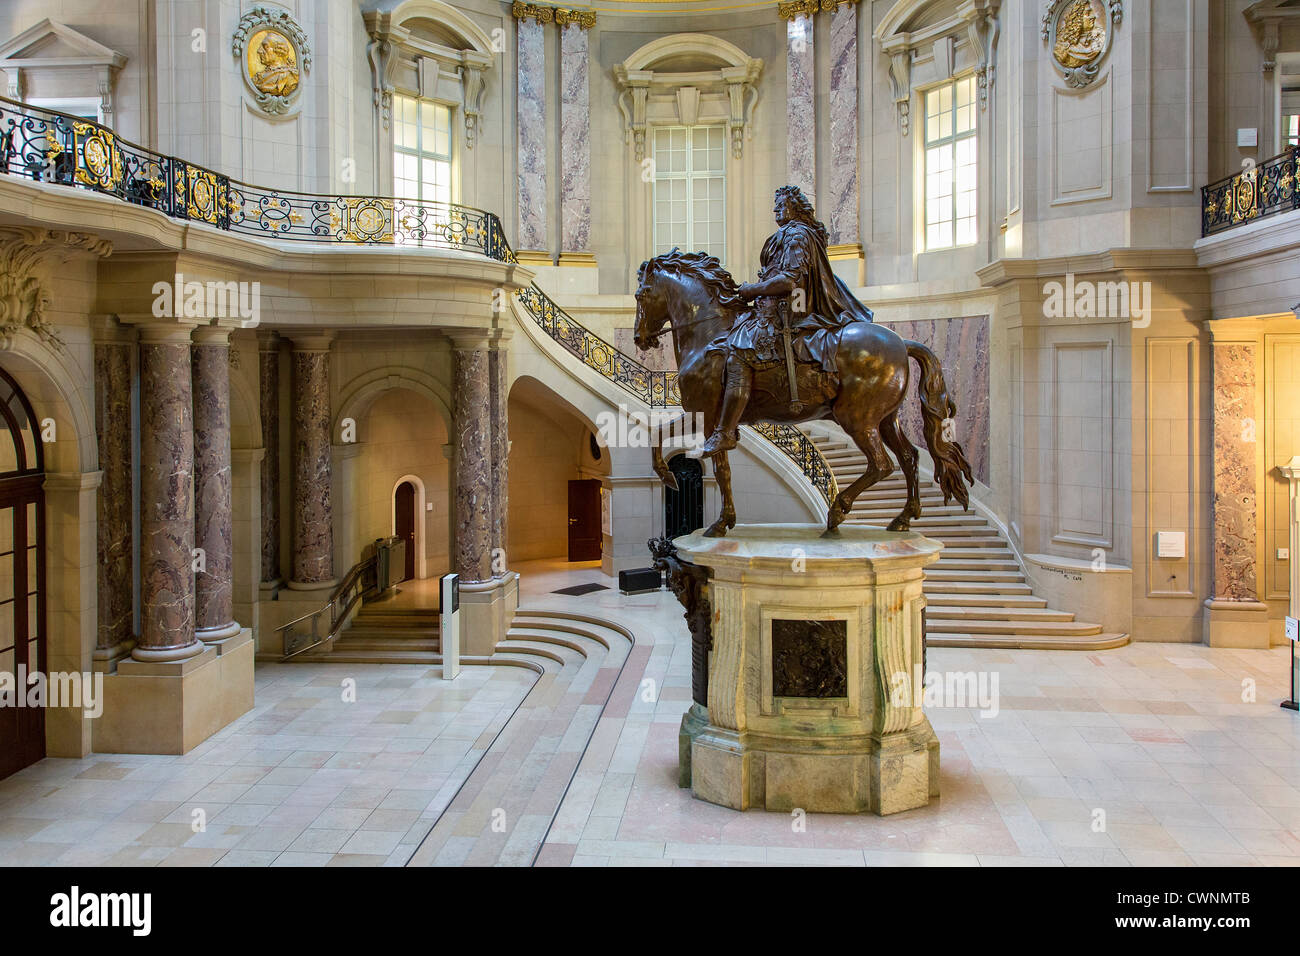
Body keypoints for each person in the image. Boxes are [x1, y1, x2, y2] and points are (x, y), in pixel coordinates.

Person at [695, 185, 873, 456]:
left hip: (793, 311)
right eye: (775, 205)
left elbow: (789, 281)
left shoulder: (797, 235)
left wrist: (752, 290)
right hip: (778, 308)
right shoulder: (789, 234)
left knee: (739, 354)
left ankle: (725, 432)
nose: (775, 209)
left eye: (781, 205)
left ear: (795, 207)